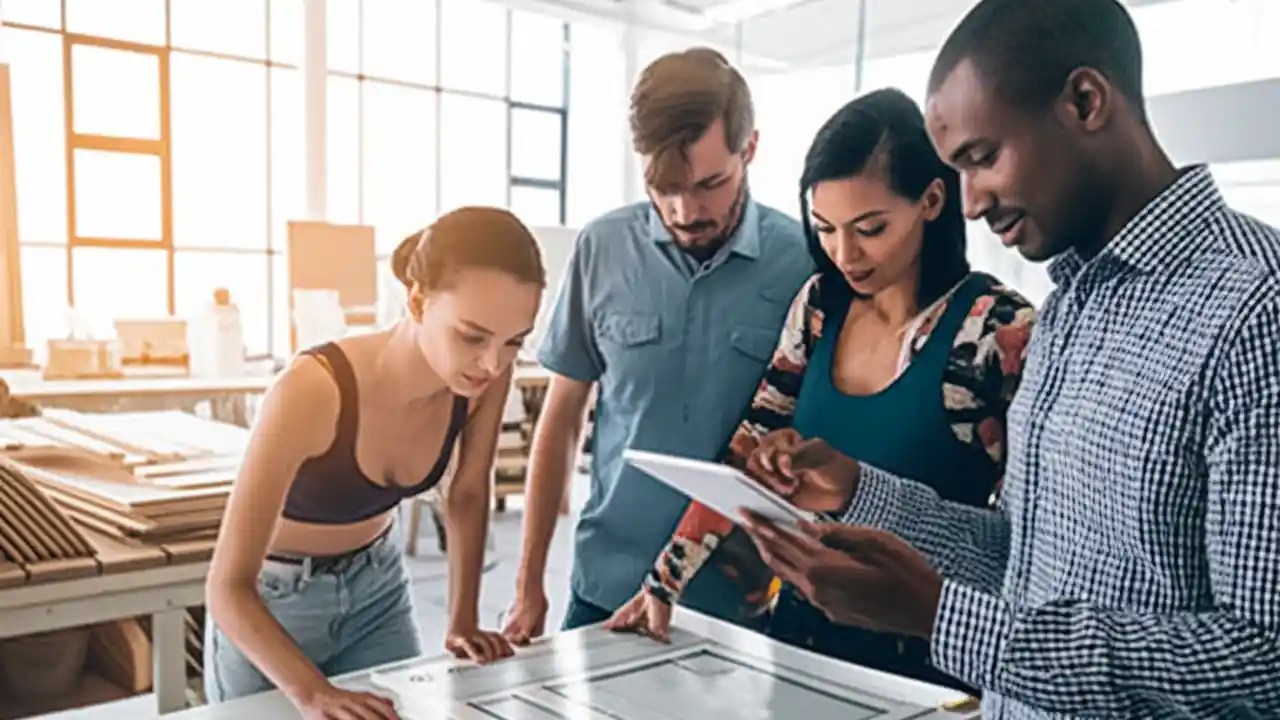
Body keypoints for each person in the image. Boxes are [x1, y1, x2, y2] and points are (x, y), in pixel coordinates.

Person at [737, 0, 1280, 717]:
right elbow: (1026, 558)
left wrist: (940, 618)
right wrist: (858, 490)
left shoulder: (1255, 309)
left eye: (983, 157)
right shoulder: (1069, 308)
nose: (967, 204)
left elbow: (1260, 662)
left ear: (1085, 102)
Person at [605, 88, 1036, 691]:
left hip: (930, 665)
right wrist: (662, 585)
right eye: (826, 229)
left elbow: (1027, 546)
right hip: (802, 645)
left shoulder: (997, 332)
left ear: (933, 200)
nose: (844, 255)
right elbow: (745, 456)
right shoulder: (819, 306)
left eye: (870, 229)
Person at [502, 47, 813, 641]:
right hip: (606, 585)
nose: (684, 210)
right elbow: (561, 418)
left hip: (737, 603)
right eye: (663, 187)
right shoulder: (601, 249)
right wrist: (527, 583)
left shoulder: (802, 261)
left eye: (710, 184)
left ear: (750, 150)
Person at [205, 207, 544, 718]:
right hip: (275, 604)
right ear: (417, 300)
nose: (493, 363)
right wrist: (311, 693)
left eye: (514, 340)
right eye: (472, 336)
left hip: (377, 589)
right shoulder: (312, 390)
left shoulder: (485, 377)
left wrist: (463, 619)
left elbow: (469, 491)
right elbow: (226, 588)